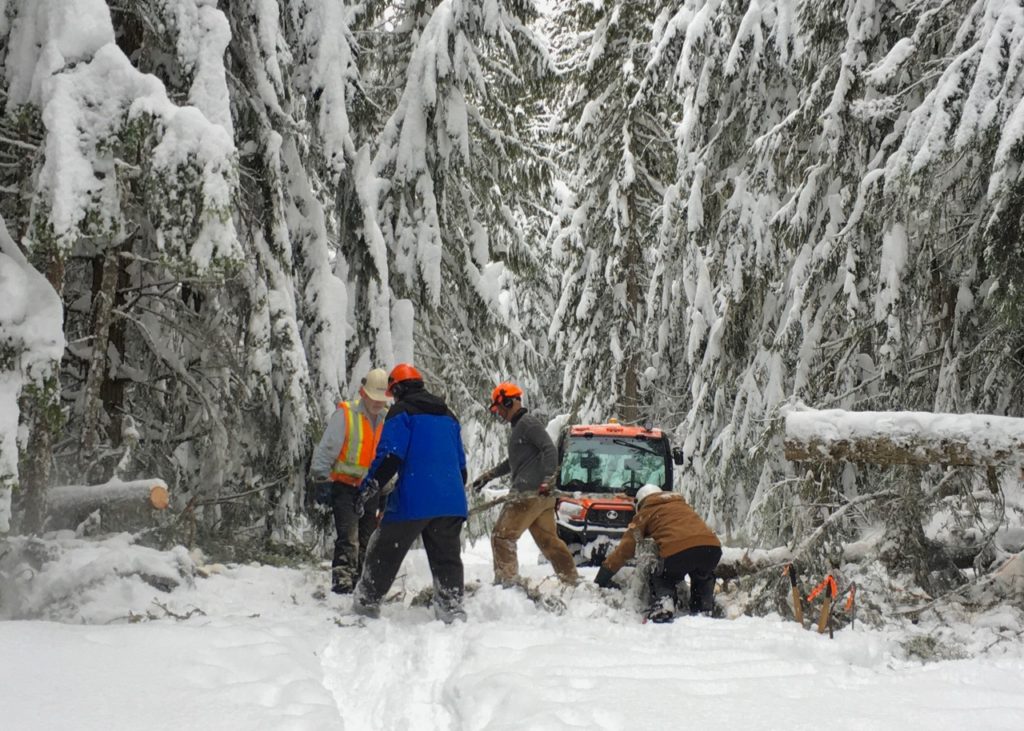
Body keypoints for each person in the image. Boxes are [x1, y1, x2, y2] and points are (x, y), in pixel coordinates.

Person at [351, 363, 469, 623]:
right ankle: (451, 608)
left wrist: (367, 488)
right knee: (447, 557)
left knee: (384, 549)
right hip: (452, 501)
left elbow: (390, 456)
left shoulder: (401, 412)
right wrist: (450, 494)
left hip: (414, 498)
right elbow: (461, 467)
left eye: (392, 394)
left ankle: (366, 603)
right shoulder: (449, 415)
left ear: (399, 389)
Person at [471, 382, 579, 587]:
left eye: (499, 408)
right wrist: (489, 475)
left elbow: (549, 449)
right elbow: (513, 462)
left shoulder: (527, 424)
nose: (499, 414)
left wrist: (548, 479)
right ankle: (571, 580)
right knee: (549, 542)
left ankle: (507, 583)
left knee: (502, 536)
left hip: (527, 494)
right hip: (541, 498)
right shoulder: (522, 427)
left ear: (508, 402)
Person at [309, 368, 389, 594]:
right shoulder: (346, 415)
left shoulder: (386, 419)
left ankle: (361, 582)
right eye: (374, 398)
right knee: (348, 537)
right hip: (344, 485)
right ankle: (342, 583)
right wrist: (321, 478)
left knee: (368, 538)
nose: (377, 403)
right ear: (364, 394)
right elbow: (327, 448)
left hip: (370, 488)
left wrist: (386, 489)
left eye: (381, 399)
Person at [595, 484, 721, 623]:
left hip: (677, 551)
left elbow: (625, 549)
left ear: (640, 502)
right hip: (711, 549)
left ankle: (664, 604)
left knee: (662, 575)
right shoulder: (681, 505)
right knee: (702, 574)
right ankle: (703, 606)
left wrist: (602, 577)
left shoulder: (646, 511)